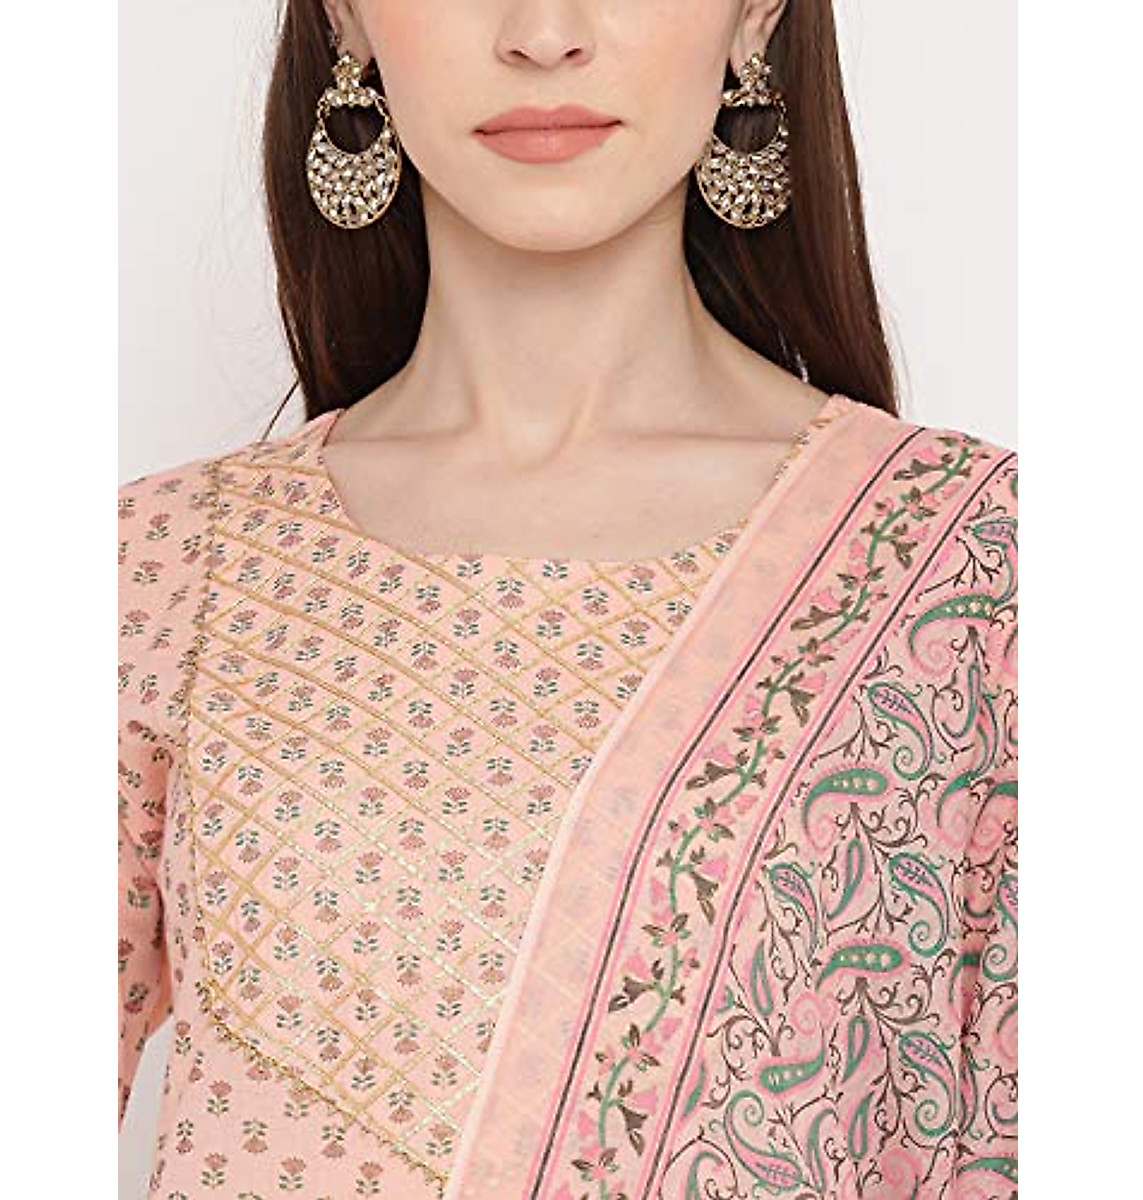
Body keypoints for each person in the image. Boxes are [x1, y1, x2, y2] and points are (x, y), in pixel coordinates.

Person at [118, 1, 1017, 1195]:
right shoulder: (162, 567)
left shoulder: (977, 567)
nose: (544, 33)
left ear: (756, 14)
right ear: (346, 17)